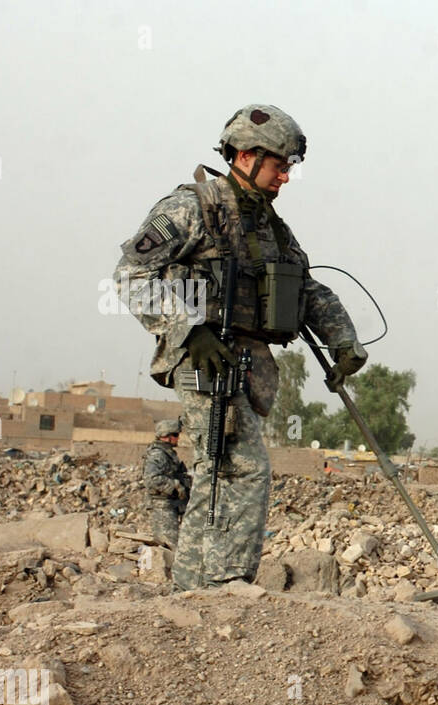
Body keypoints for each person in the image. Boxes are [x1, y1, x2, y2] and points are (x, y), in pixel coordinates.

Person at [115, 104, 368, 589]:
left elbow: (307, 288)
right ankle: (226, 584)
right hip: (206, 357)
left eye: (288, 168)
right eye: (280, 166)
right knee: (242, 469)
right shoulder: (193, 206)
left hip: (251, 363)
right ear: (247, 156)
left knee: (218, 472)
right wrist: (190, 330)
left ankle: (193, 587)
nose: (286, 178)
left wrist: (344, 340)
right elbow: (131, 273)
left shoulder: (272, 228)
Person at [143, 419, 190, 550]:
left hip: (171, 505)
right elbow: (151, 479)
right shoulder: (157, 454)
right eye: (175, 435)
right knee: (170, 547)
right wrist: (174, 485)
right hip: (162, 507)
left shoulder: (168, 453)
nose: (178, 438)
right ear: (166, 437)